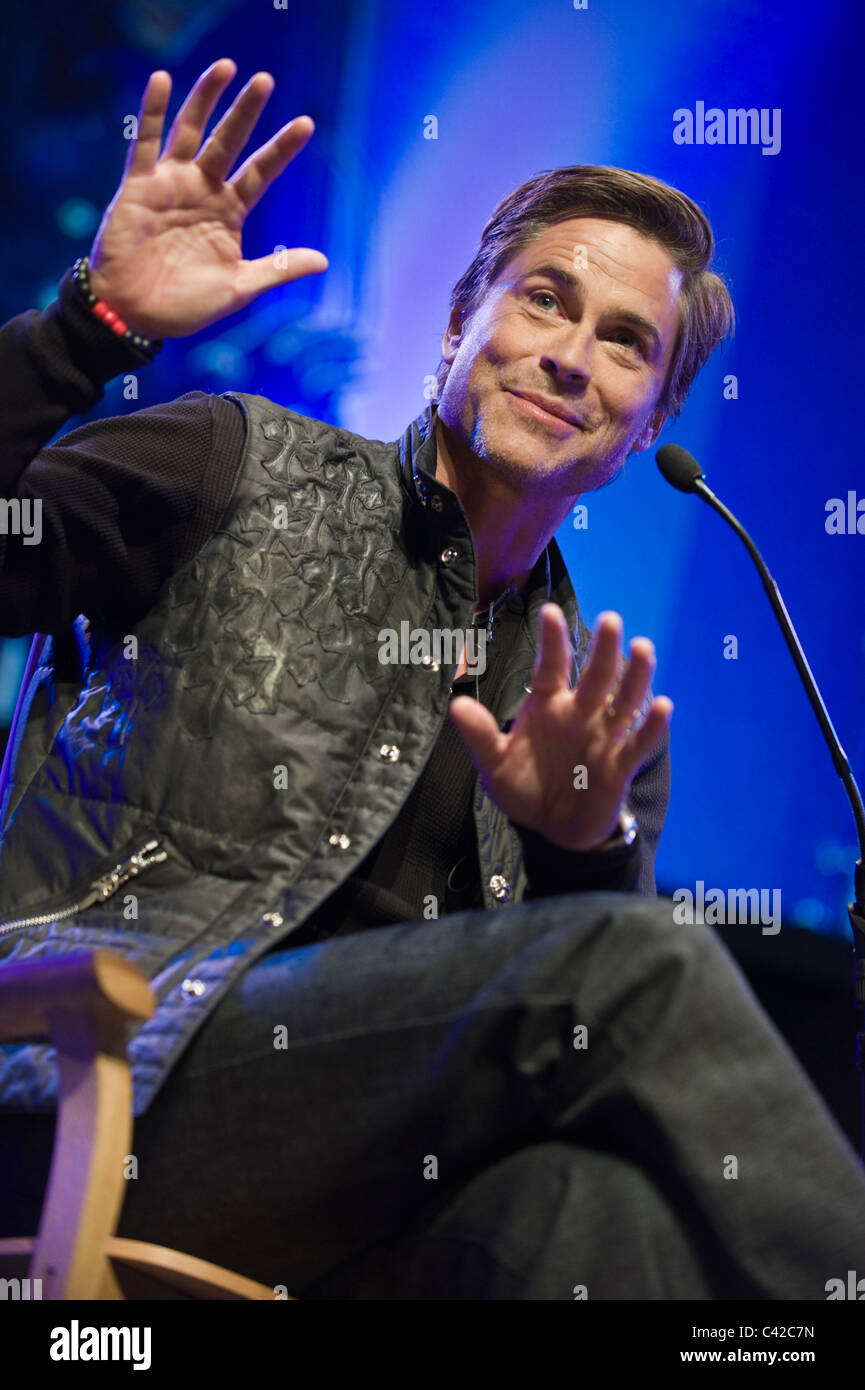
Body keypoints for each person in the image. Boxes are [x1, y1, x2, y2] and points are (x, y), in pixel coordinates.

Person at [0, 58, 863, 1301]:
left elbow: (546, 1038)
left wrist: (577, 842)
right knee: (627, 960)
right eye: (545, 301)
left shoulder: (597, 716)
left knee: (597, 1206)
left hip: (355, 1202)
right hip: (97, 1087)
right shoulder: (228, 463)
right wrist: (91, 327)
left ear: (641, 430)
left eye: (626, 344)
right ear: (460, 325)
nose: (572, 357)